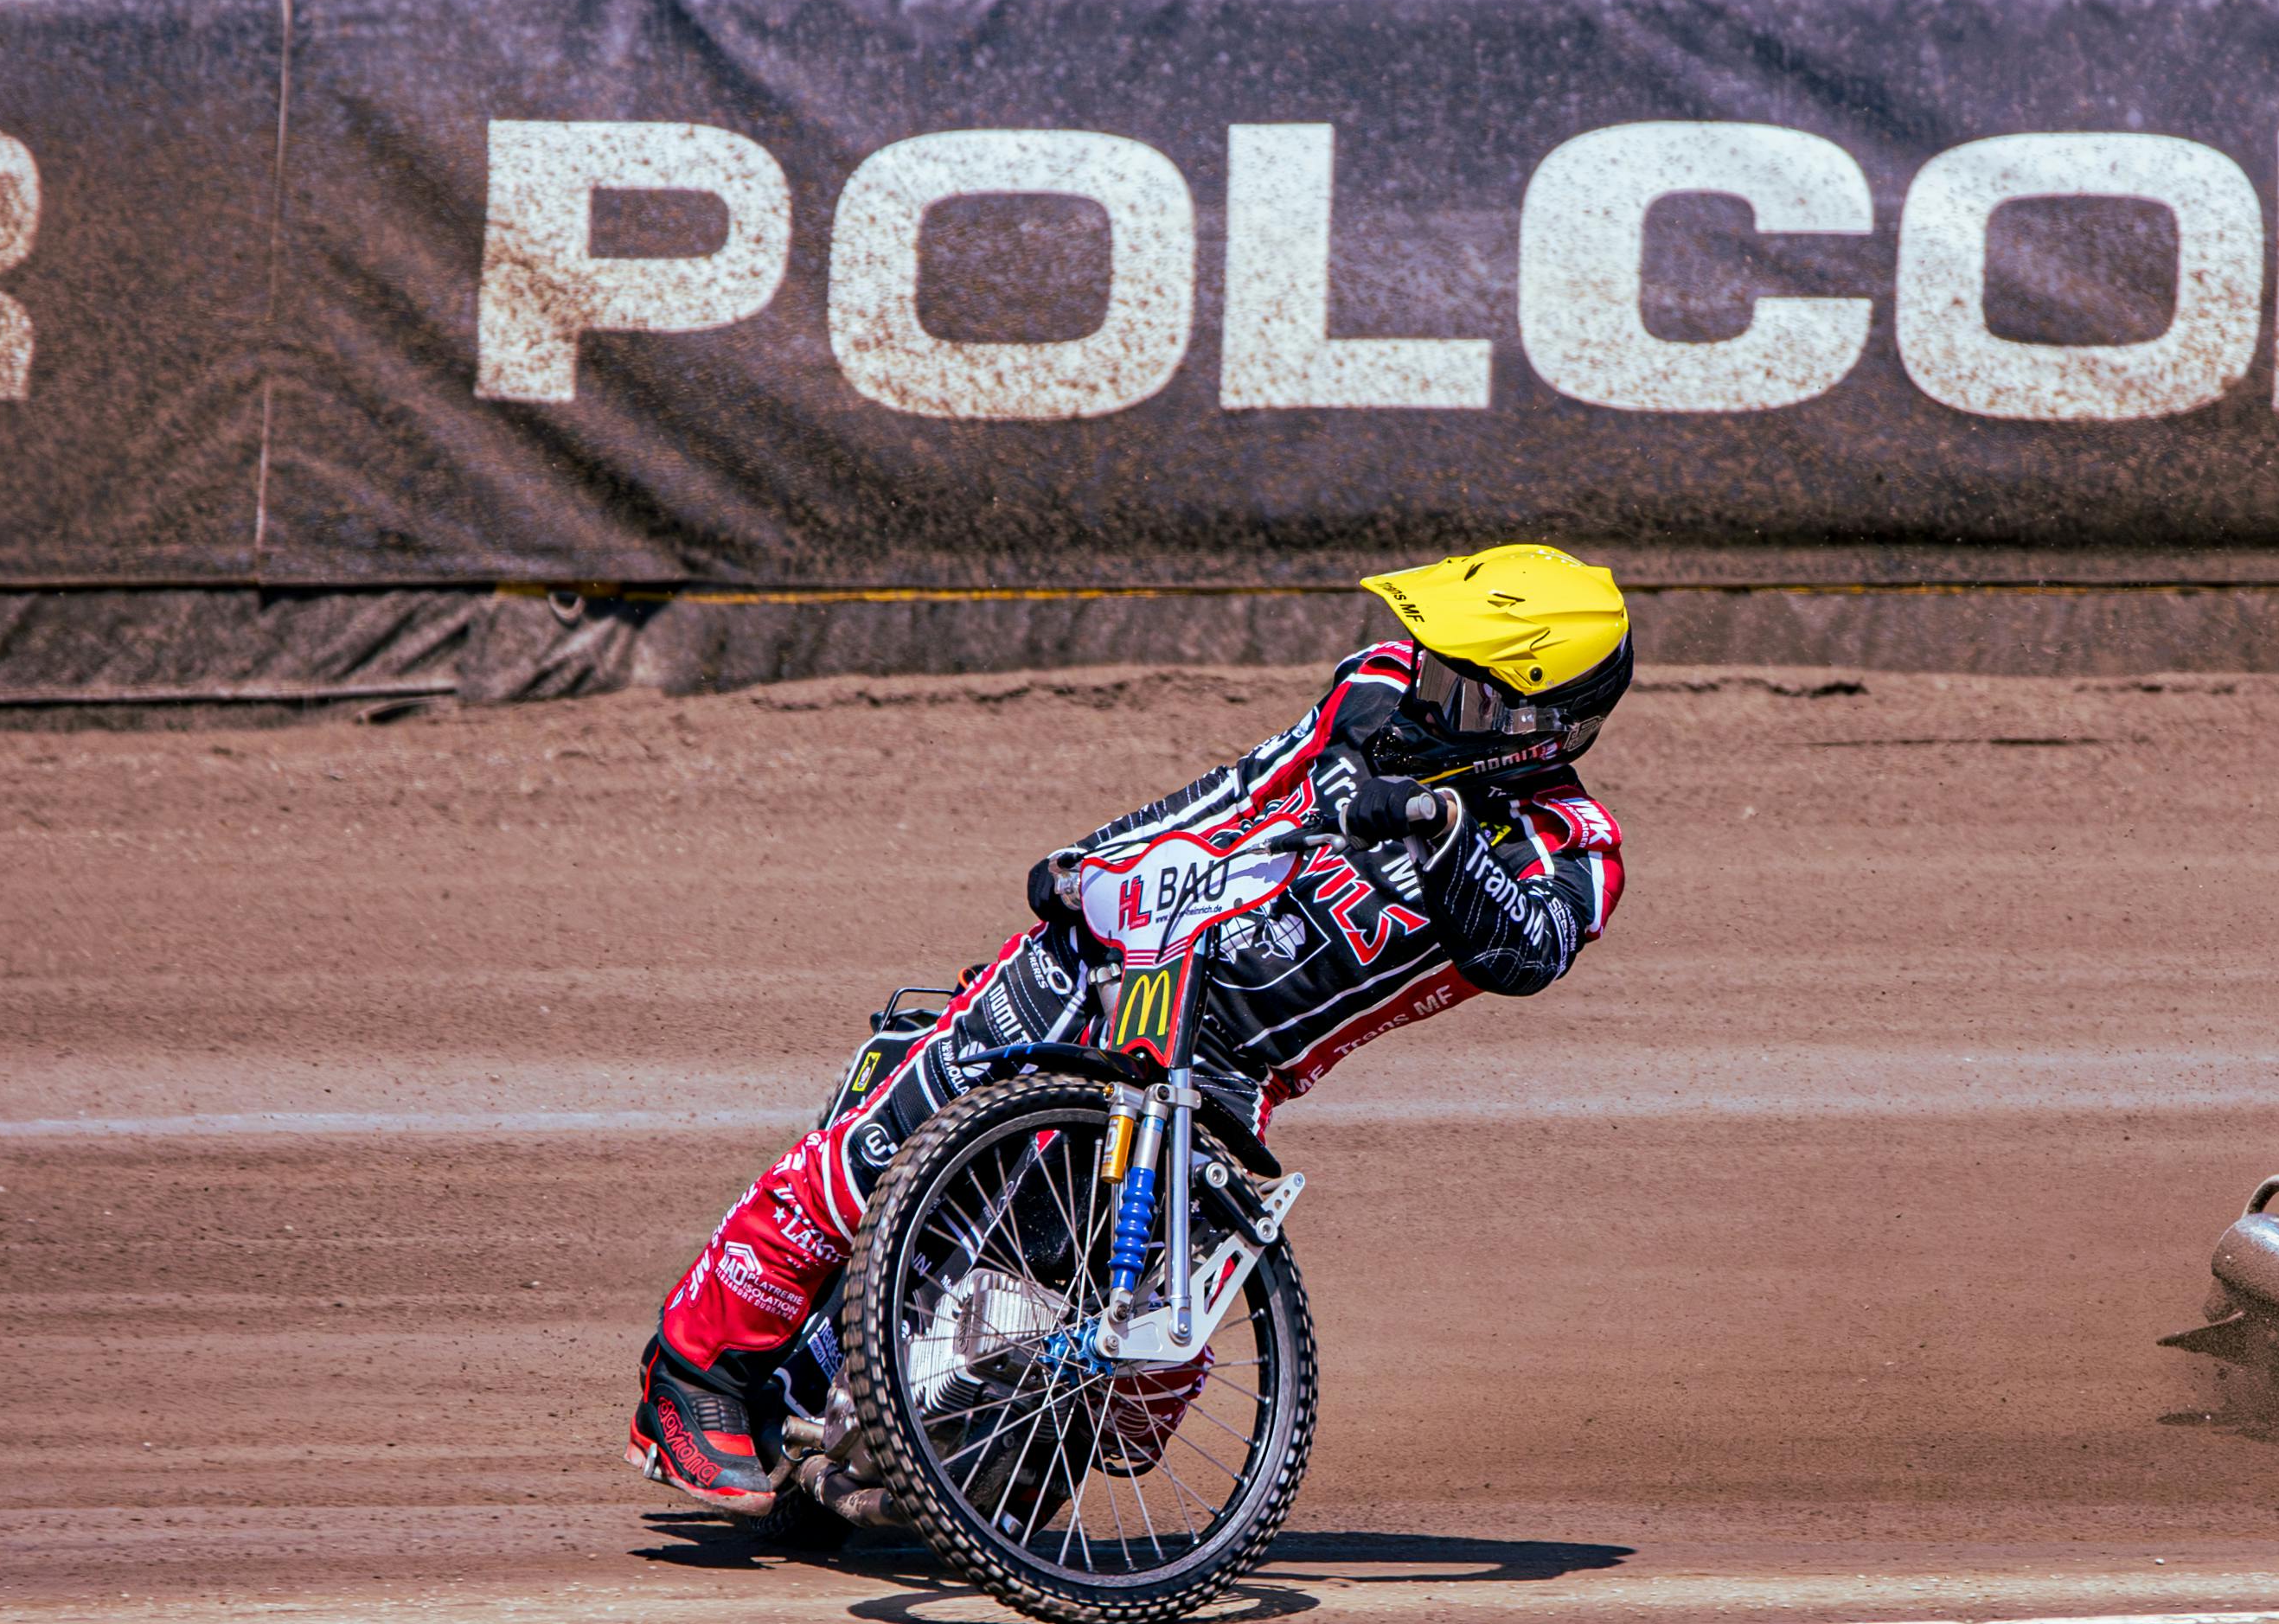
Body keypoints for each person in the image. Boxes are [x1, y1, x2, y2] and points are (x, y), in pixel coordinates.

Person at [629, 544, 1635, 1514]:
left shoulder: (1575, 848)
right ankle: (696, 1369)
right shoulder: (1370, 692)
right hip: (1117, 963)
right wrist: (1089, 860)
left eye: (1457, 690)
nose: (1422, 695)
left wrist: (1443, 832)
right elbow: (1237, 789)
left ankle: (955, 1469)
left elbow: (1530, 950)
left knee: (1155, 1360)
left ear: (1537, 725)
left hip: (1232, 1074)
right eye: (1427, 664)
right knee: (884, 1145)